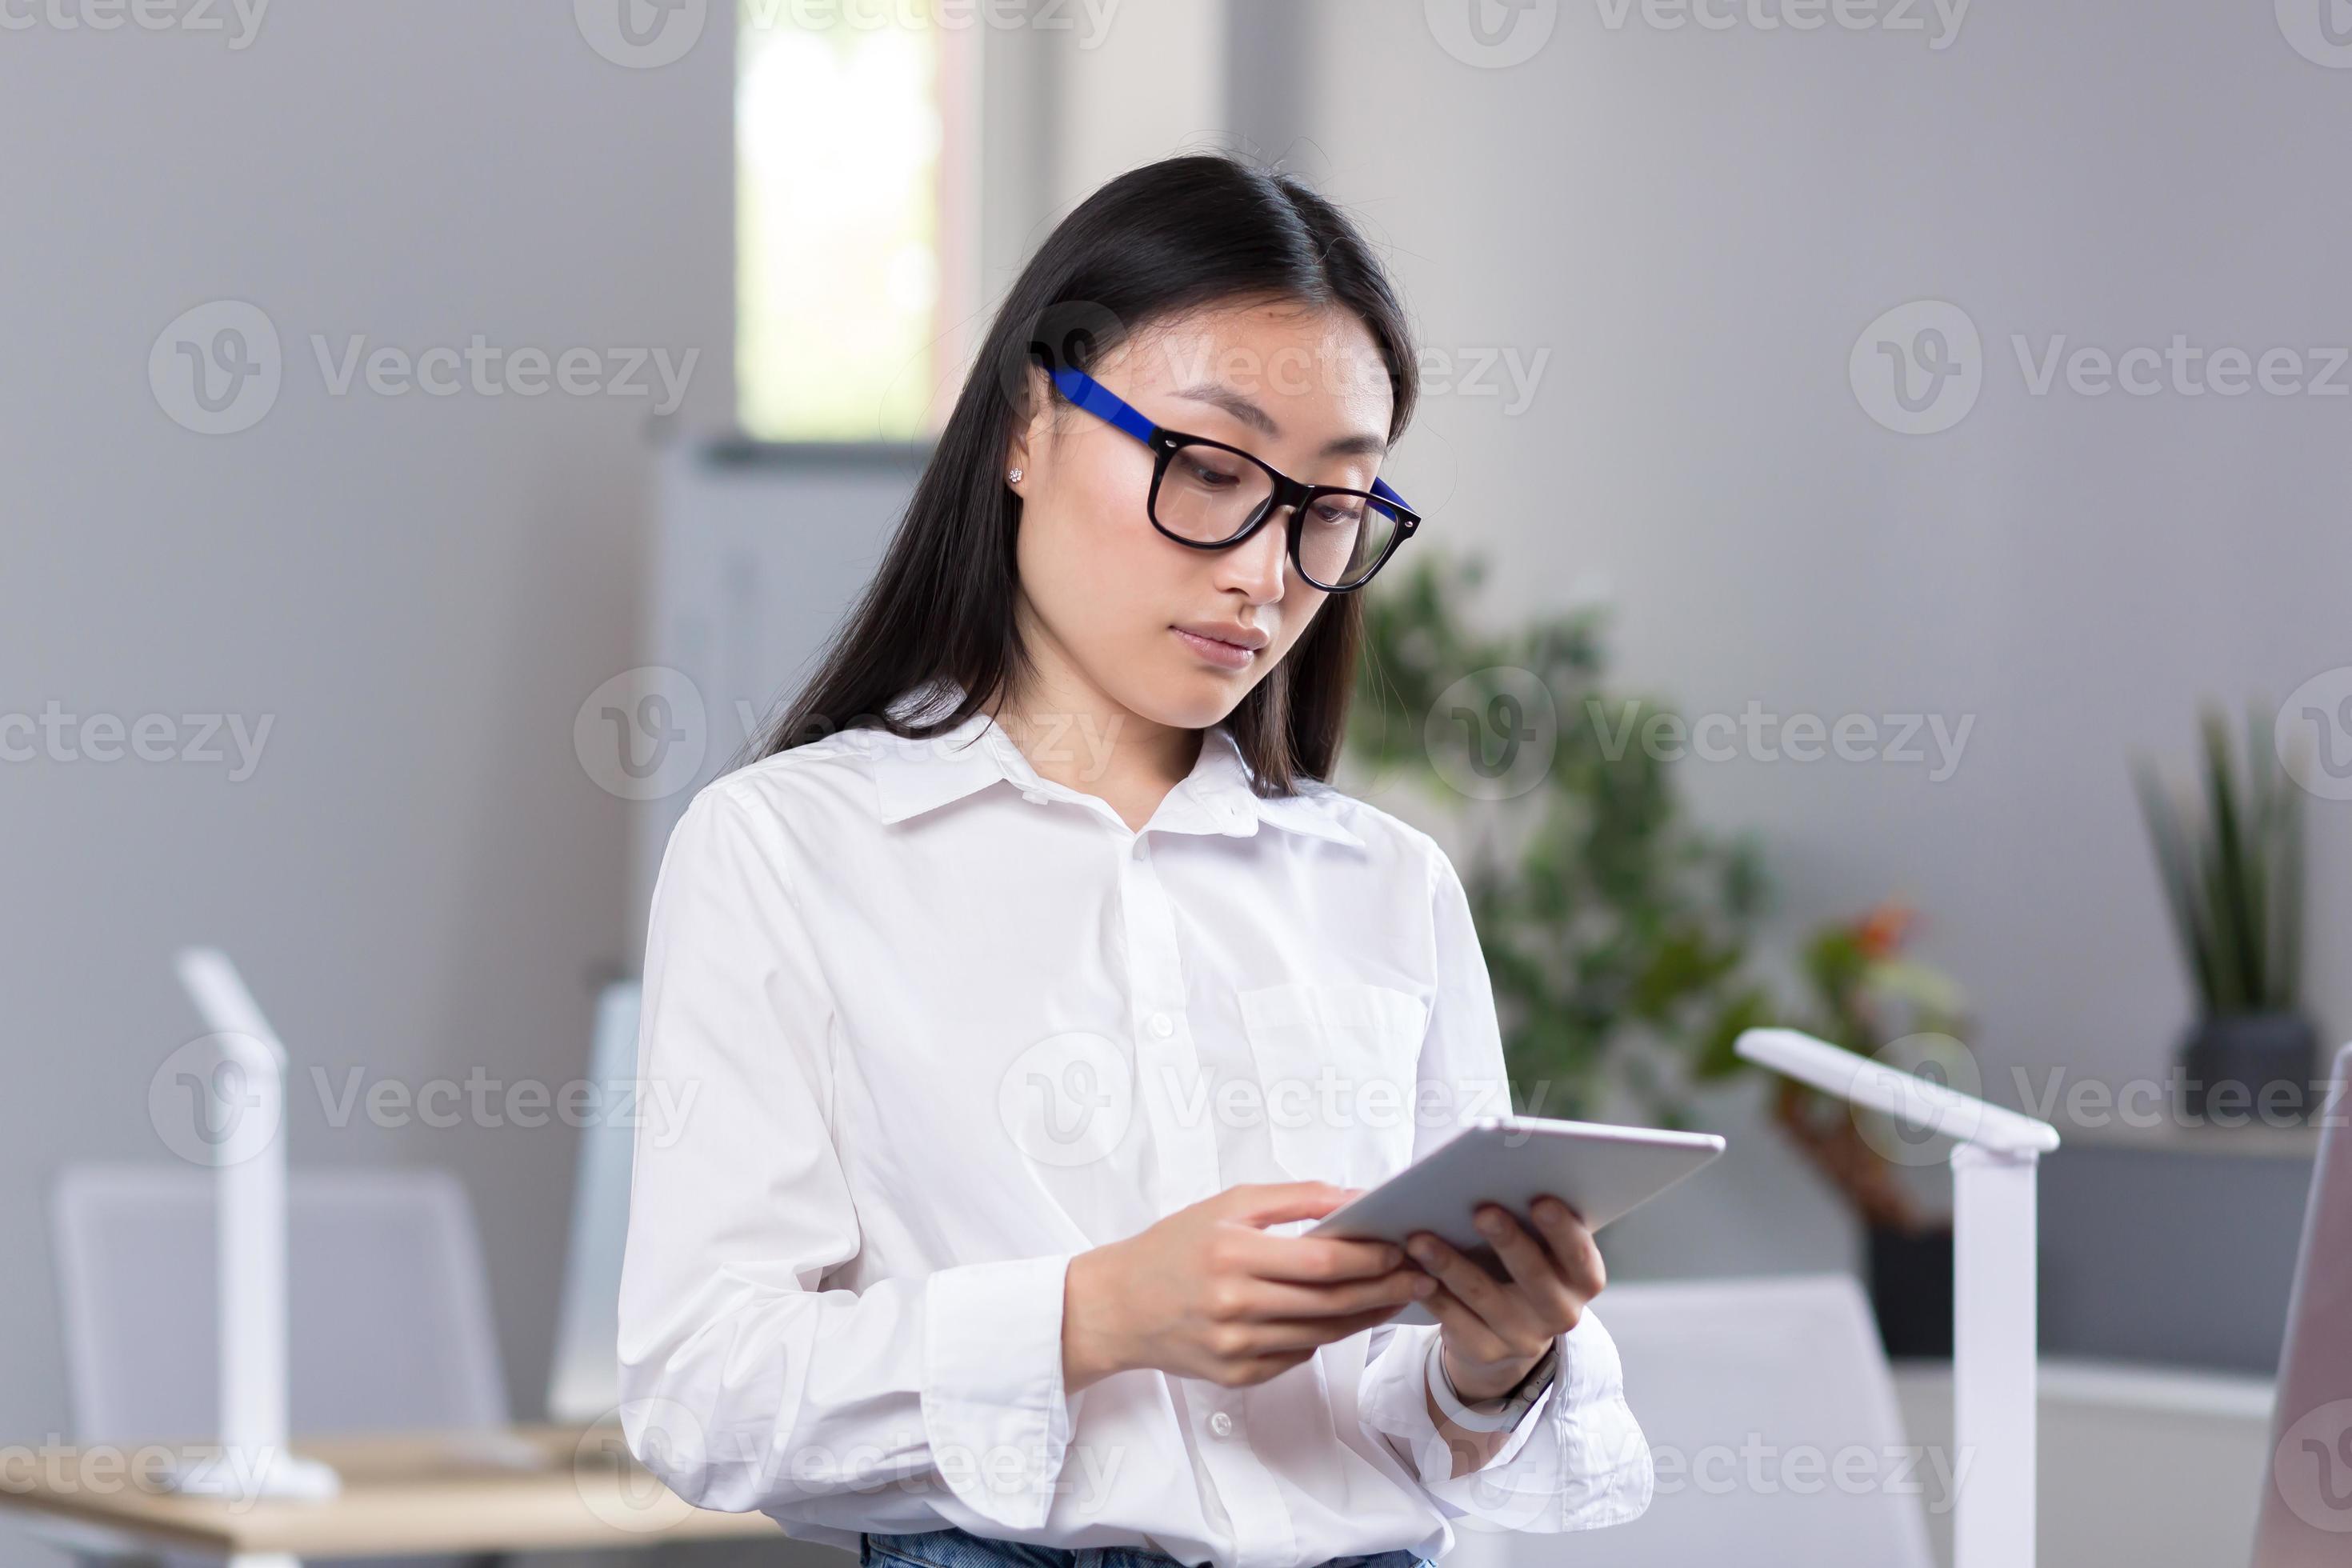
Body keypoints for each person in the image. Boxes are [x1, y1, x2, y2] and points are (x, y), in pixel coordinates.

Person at [615, 153, 1653, 1568]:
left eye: (1331, 508)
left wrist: (1495, 1362)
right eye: (1211, 469)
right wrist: (1094, 1315)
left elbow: (1396, 1426)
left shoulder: (1388, 888)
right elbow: (703, 1394)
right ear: (1029, 425)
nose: (1264, 571)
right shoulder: (791, 851)